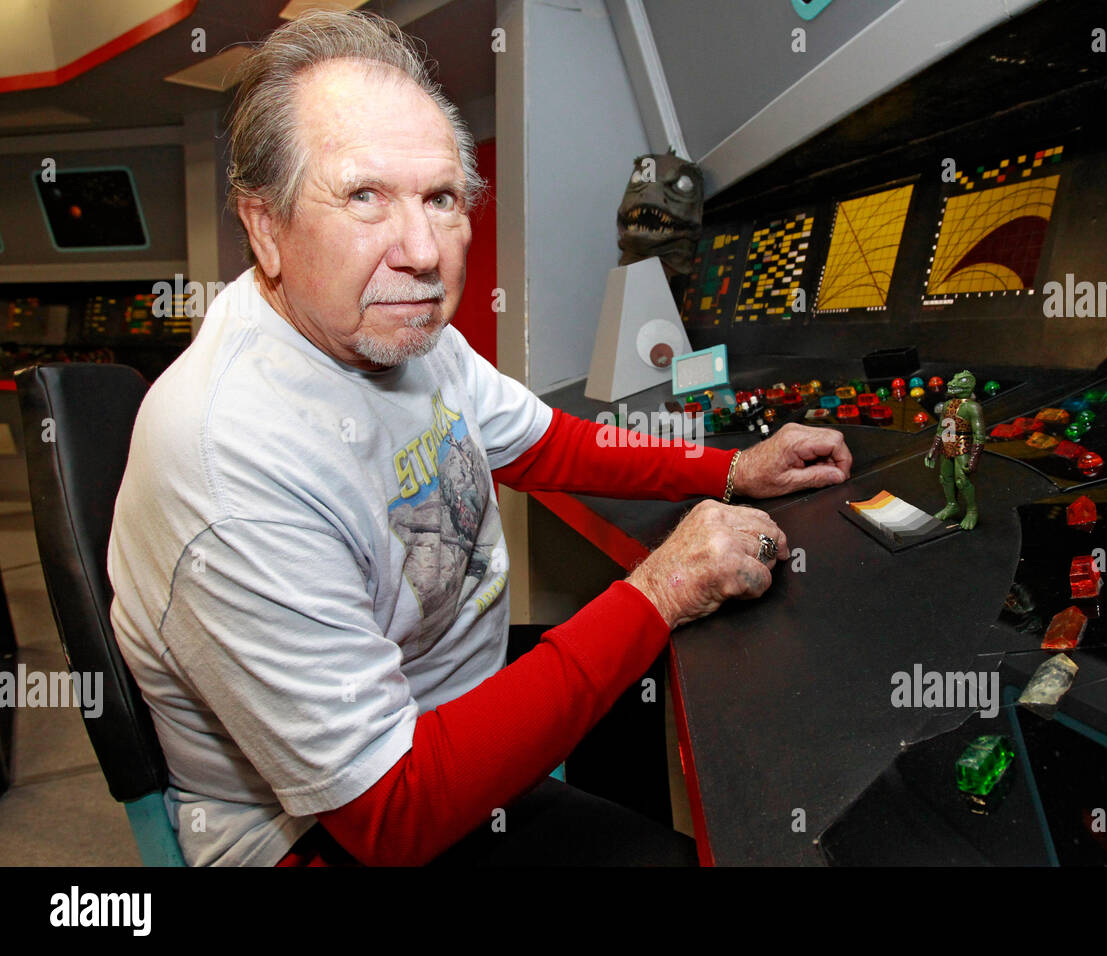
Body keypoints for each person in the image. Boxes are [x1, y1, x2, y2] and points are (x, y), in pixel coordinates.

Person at [107, 9, 850, 866]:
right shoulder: (231, 457)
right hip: (326, 827)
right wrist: (663, 585)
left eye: (442, 198)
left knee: (679, 675)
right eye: (363, 196)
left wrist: (732, 468)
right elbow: (394, 813)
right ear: (266, 227)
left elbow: (548, 447)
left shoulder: (392, 326)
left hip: (444, 694)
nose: (422, 250)